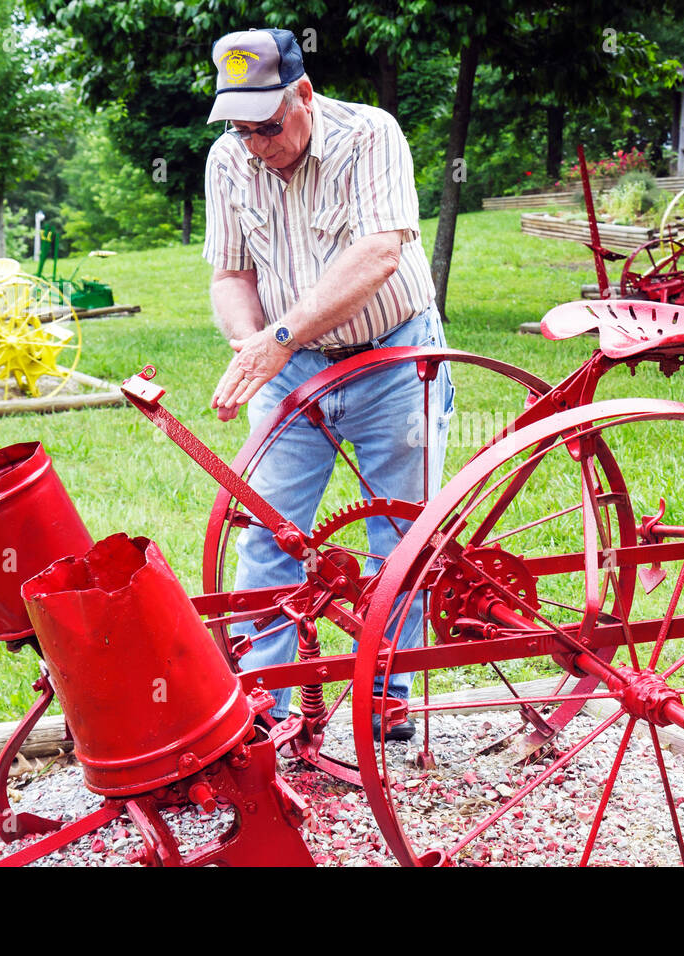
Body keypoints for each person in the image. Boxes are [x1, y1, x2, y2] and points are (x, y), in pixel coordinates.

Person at [201, 28, 452, 740]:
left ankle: (387, 694)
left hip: (395, 355)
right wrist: (251, 344)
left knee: (400, 528)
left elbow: (378, 252)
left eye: (268, 126)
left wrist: (277, 341)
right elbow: (231, 274)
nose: (256, 144)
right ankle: (260, 703)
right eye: (240, 129)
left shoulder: (370, 134)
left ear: (303, 95)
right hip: (294, 366)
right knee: (267, 532)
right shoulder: (229, 161)